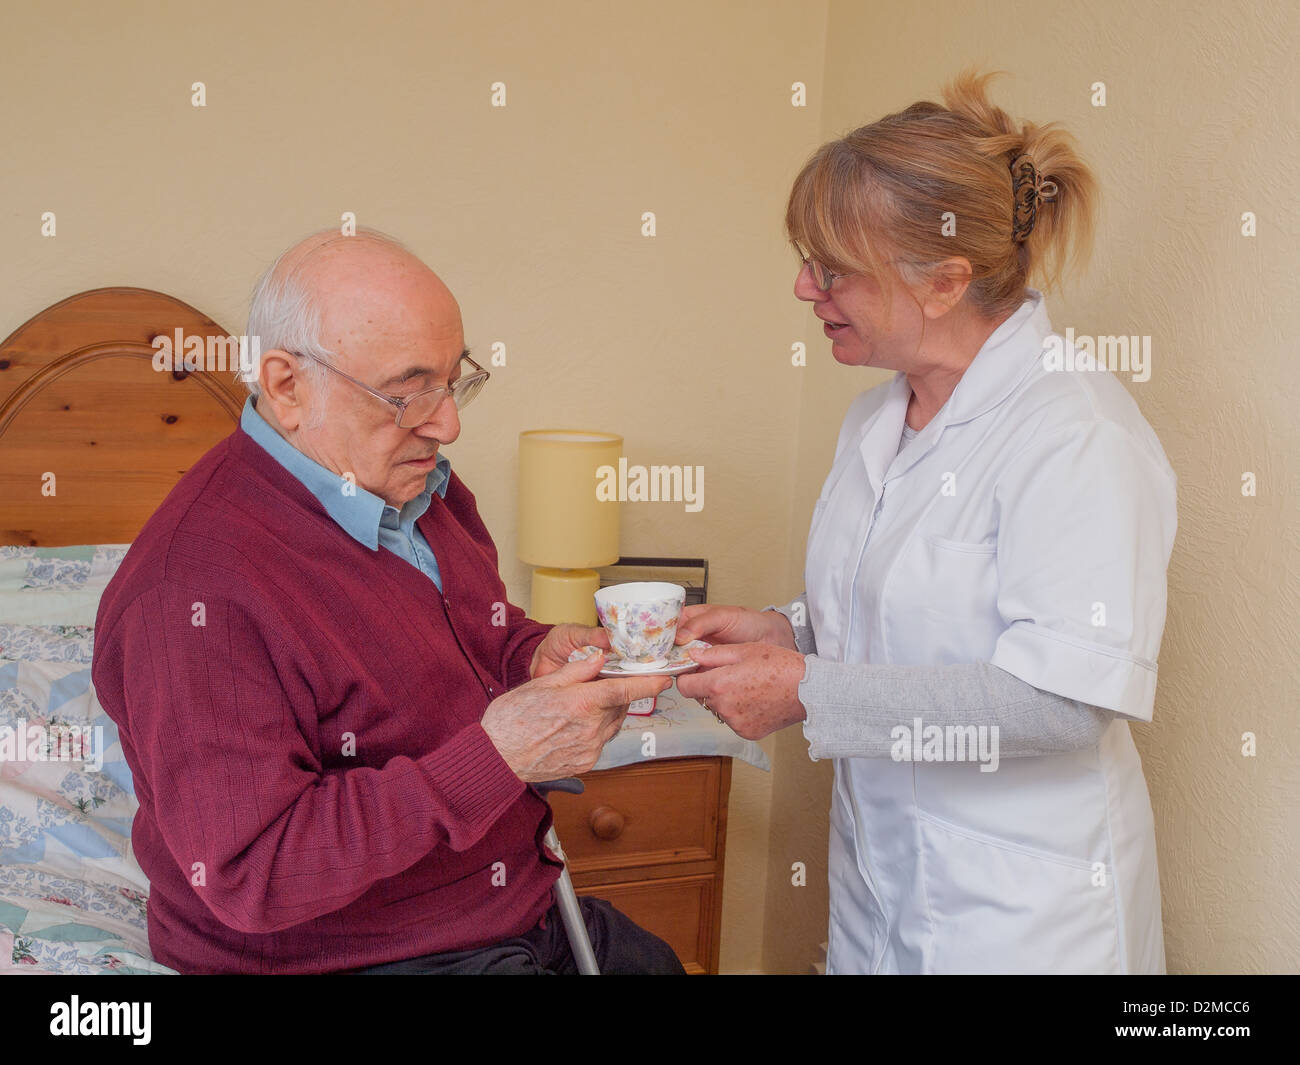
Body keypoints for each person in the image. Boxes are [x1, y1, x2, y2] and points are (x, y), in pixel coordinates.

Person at [675, 71, 1177, 974]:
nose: (803, 286)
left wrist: (807, 689)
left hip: (1023, 920)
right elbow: (903, 605)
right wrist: (786, 628)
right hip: (881, 891)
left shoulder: (1075, 433)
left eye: (832, 269)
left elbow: (1062, 701)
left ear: (944, 281)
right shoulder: (878, 418)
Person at [93, 228, 683, 974]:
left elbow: (465, 637)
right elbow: (253, 871)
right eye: (407, 393)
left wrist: (529, 648)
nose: (448, 423)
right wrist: (496, 755)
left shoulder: (416, 485)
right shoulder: (189, 595)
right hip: (341, 957)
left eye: (453, 380)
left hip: (503, 912)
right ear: (285, 386)